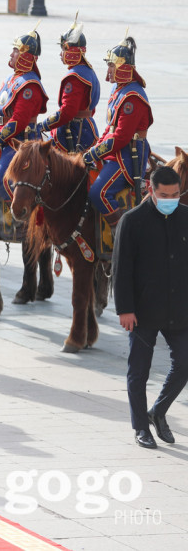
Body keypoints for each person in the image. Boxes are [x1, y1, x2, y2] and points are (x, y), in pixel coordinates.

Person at [113, 166, 188, 449]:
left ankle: (158, 410)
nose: (171, 199)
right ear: (150, 191)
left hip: (179, 308)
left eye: (176, 194)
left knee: (184, 362)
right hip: (142, 312)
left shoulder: (185, 218)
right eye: (164, 195)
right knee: (139, 371)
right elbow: (122, 269)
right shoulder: (132, 221)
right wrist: (125, 309)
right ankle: (141, 428)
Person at [84, 36, 152, 227]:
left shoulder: (132, 96)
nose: (108, 70)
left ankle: (121, 233)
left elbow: (121, 137)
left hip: (128, 156)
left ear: (123, 67)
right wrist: (95, 149)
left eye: (112, 65)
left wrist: (95, 153)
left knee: (98, 193)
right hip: (115, 151)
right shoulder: (119, 89)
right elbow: (110, 127)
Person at [0, 29, 48, 201]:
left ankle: (18, 220)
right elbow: (0, 114)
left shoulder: (30, 85)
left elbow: (18, 121)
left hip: (21, 142)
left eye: (16, 50)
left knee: (1, 179)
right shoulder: (12, 78)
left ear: (26, 55)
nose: (11, 54)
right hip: (5, 137)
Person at [37, 16, 100, 154]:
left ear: (73, 50)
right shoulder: (88, 71)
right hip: (87, 127)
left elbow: (67, 112)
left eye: (64, 49)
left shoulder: (75, 77)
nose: (61, 54)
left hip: (74, 133)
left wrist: (43, 125)